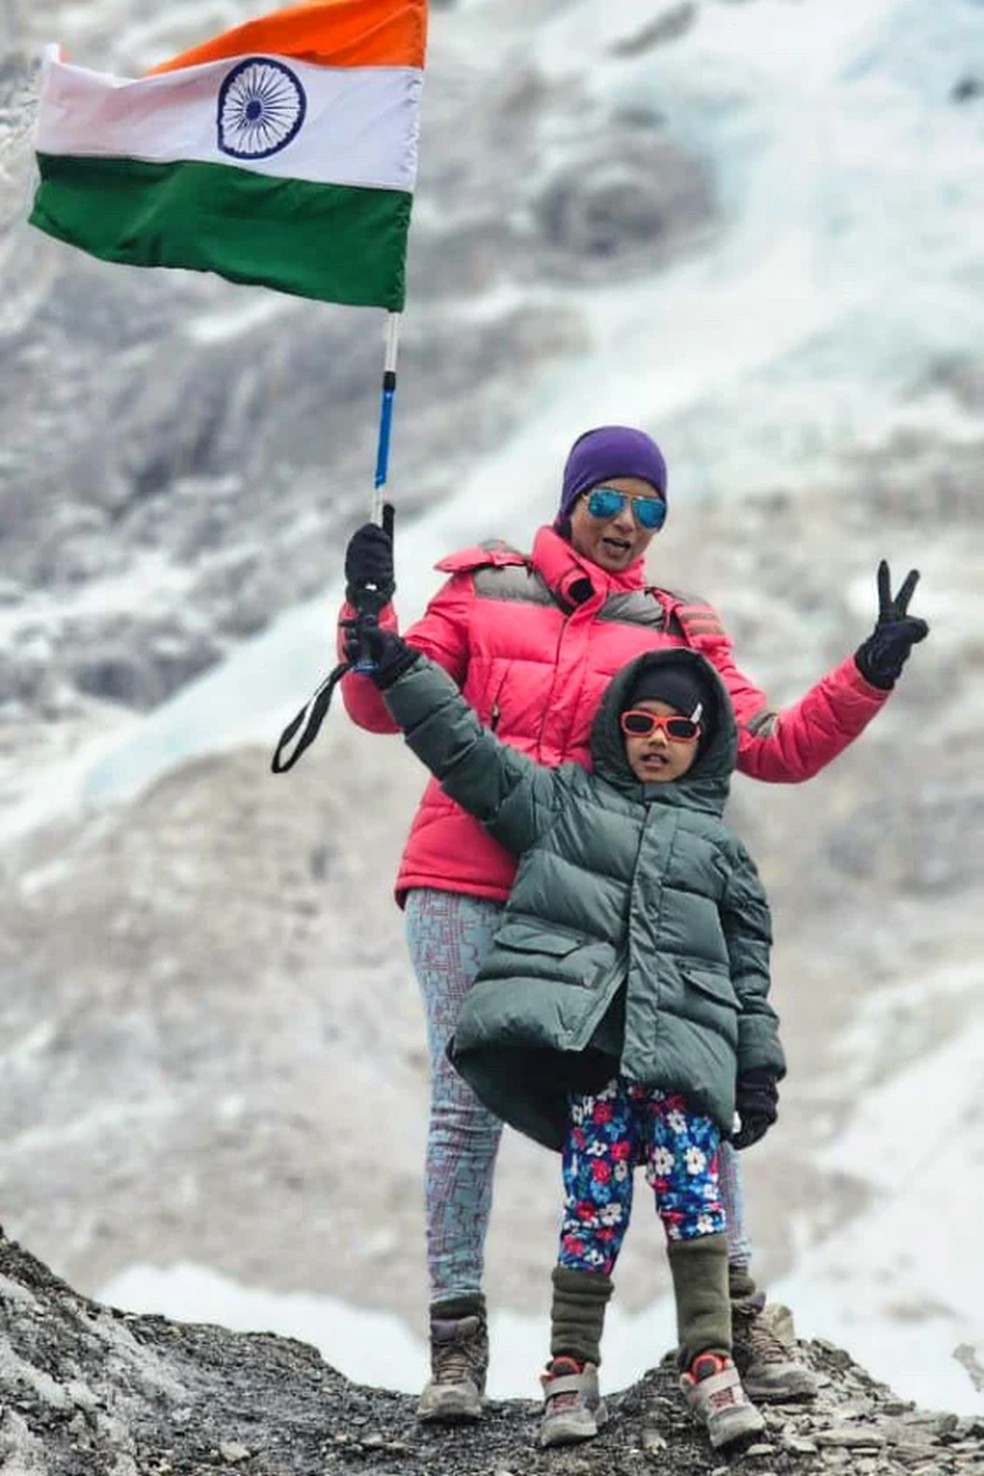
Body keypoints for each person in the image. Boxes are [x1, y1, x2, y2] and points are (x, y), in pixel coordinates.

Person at [338, 425, 928, 1421]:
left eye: (647, 507)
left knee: (686, 1081)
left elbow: (772, 749)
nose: (624, 522)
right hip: (465, 872)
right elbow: (377, 703)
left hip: (605, 887)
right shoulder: (481, 589)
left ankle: (737, 1317)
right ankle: (456, 1350)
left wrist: (866, 671)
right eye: (606, 500)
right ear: (571, 499)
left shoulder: (675, 629)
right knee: (461, 1097)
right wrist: (364, 612)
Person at [354, 632, 784, 1452]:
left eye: (679, 728)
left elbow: (749, 975)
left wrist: (758, 1068)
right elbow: (467, 752)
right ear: (617, 724)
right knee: (591, 1210)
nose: (658, 739)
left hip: (686, 1069)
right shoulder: (564, 804)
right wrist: (400, 666)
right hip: (596, 1066)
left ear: (706, 739)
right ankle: (570, 1370)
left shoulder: (725, 854)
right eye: (643, 721)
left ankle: (712, 1362)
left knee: (697, 1207)